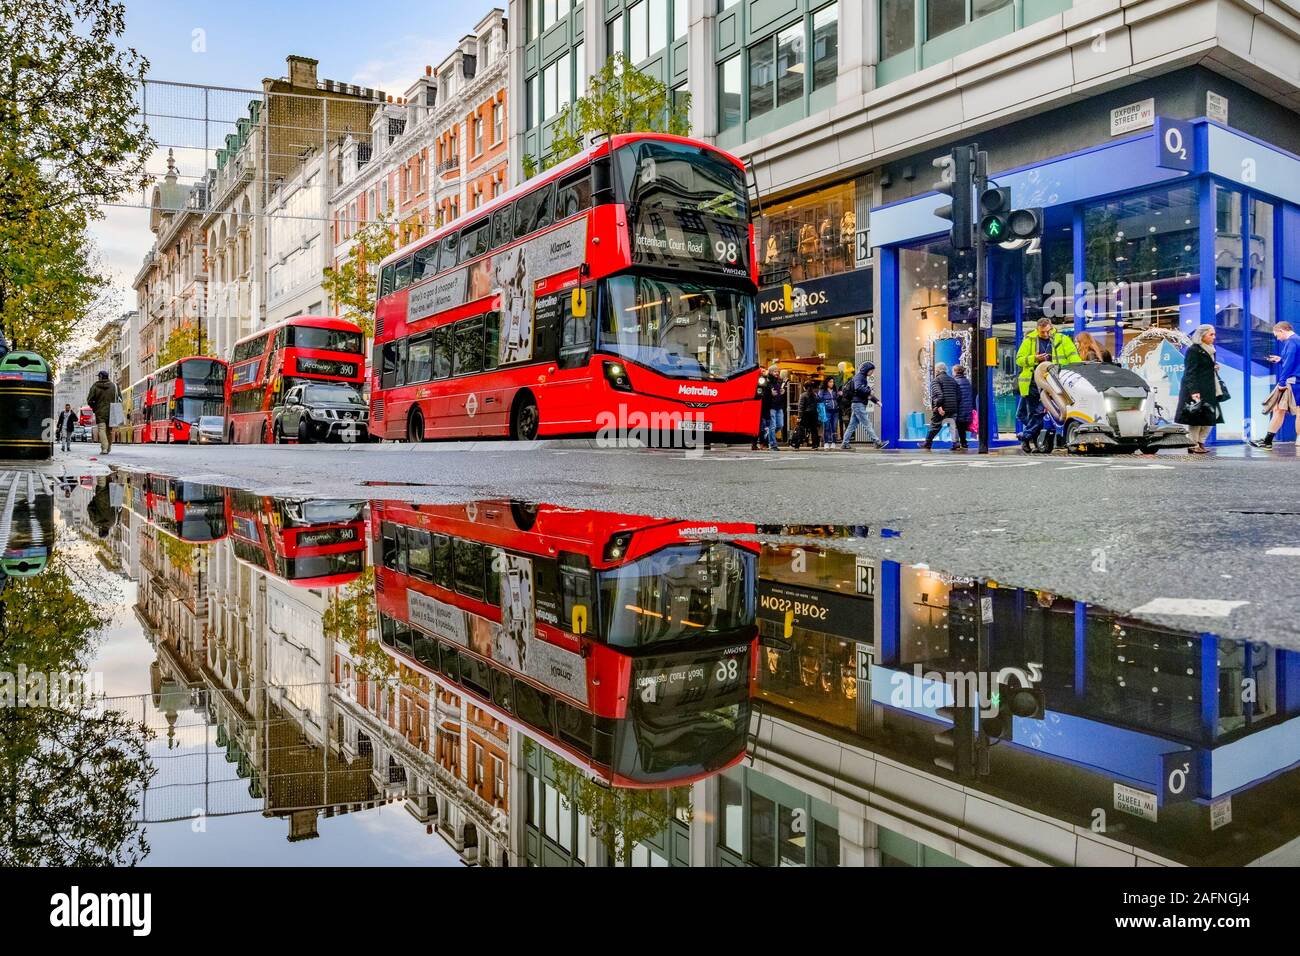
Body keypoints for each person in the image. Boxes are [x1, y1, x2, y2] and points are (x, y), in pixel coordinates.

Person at [1015, 318, 1080, 453]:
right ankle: (1033, 439)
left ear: (1051, 327)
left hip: (1056, 382)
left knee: (1043, 414)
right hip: (1034, 383)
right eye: (1042, 332)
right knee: (1036, 413)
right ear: (1037, 329)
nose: (1045, 334)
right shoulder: (1029, 341)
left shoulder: (1061, 339)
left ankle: (1027, 437)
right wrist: (1034, 358)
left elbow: (1073, 357)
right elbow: (1019, 360)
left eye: (1047, 331)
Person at [1251, 320, 1300, 448]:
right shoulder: (1297, 340)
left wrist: (1282, 382)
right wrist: (1280, 360)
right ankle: (1267, 441)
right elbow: (1294, 361)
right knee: (1279, 409)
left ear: (1281, 331)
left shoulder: (1291, 342)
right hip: (1295, 381)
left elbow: (1289, 364)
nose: (1277, 339)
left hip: (1292, 382)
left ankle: (1268, 441)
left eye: (1277, 335)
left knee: (1281, 410)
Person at [1175, 324, 1223, 454]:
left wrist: (1214, 366)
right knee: (1196, 419)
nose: (1214, 337)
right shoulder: (1194, 350)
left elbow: (1204, 367)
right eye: (1211, 334)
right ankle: (1193, 443)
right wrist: (1194, 391)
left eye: (1214, 334)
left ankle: (1201, 442)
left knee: (1208, 418)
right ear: (1202, 336)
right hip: (1197, 389)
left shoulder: (1211, 349)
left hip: (1209, 388)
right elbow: (1190, 372)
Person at [840, 362, 888, 449]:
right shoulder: (860, 377)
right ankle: (877, 442)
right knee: (867, 424)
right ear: (867, 369)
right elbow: (858, 388)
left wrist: (876, 401)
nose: (872, 373)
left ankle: (844, 443)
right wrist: (869, 390)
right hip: (858, 404)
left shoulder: (861, 377)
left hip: (856, 404)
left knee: (852, 425)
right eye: (871, 370)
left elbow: (864, 393)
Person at [923, 363, 962, 451]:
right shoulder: (953, 380)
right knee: (953, 426)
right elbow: (959, 396)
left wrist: (939, 406)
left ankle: (927, 443)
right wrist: (954, 405)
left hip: (942, 408)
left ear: (937, 370)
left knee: (934, 426)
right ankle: (956, 444)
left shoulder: (936, 380)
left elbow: (938, 395)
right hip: (953, 407)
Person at [86, 370, 118, 455]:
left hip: (100, 411)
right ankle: (108, 447)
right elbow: (119, 398)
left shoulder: (95, 386)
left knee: (101, 429)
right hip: (112, 411)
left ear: (100, 377)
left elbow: (89, 400)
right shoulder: (114, 386)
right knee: (109, 430)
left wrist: (94, 407)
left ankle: (104, 448)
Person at [791, 380, 822, 450]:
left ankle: (797, 444)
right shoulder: (815, 395)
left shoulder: (803, 395)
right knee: (814, 430)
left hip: (805, 414)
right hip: (814, 414)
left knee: (801, 429)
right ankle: (815, 445)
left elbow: (801, 407)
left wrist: (799, 417)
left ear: (804, 387)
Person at [952, 364, 975, 450]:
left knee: (956, 426)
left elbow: (956, 397)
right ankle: (964, 443)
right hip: (967, 408)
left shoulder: (955, 382)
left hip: (959, 408)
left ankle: (957, 443)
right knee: (962, 427)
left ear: (955, 372)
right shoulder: (967, 381)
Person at [819, 378, 840, 449]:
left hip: (835, 411)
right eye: (830, 382)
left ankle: (834, 442)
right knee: (826, 427)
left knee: (834, 427)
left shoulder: (835, 391)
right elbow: (819, 399)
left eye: (833, 382)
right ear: (826, 382)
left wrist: (840, 395)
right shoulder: (822, 391)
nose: (832, 383)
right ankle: (826, 442)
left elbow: (838, 399)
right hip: (827, 411)